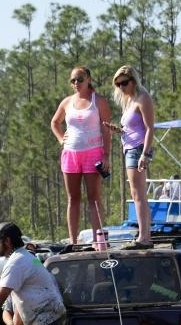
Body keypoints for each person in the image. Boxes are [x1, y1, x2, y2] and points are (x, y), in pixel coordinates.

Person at [50, 65, 112, 243]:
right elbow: (55, 122)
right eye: (73, 80)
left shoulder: (99, 101)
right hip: (71, 154)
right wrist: (61, 139)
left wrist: (106, 155)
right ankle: (73, 241)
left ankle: (98, 240)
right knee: (73, 198)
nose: (76, 83)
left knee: (94, 198)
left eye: (80, 79)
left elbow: (106, 130)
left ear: (88, 80)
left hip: (93, 153)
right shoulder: (67, 102)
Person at [110, 65, 156, 249]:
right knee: (136, 193)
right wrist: (119, 131)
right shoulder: (129, 100)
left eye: (124, 83)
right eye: (118, 84)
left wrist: (145, 153)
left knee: (138, 194)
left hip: (138, 149)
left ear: (133, 81)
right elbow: (132, 128)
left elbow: (150, 128)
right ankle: (144, 234)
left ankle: (144, 237)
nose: (121, 87)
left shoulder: (143, 98)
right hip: (129, 148)